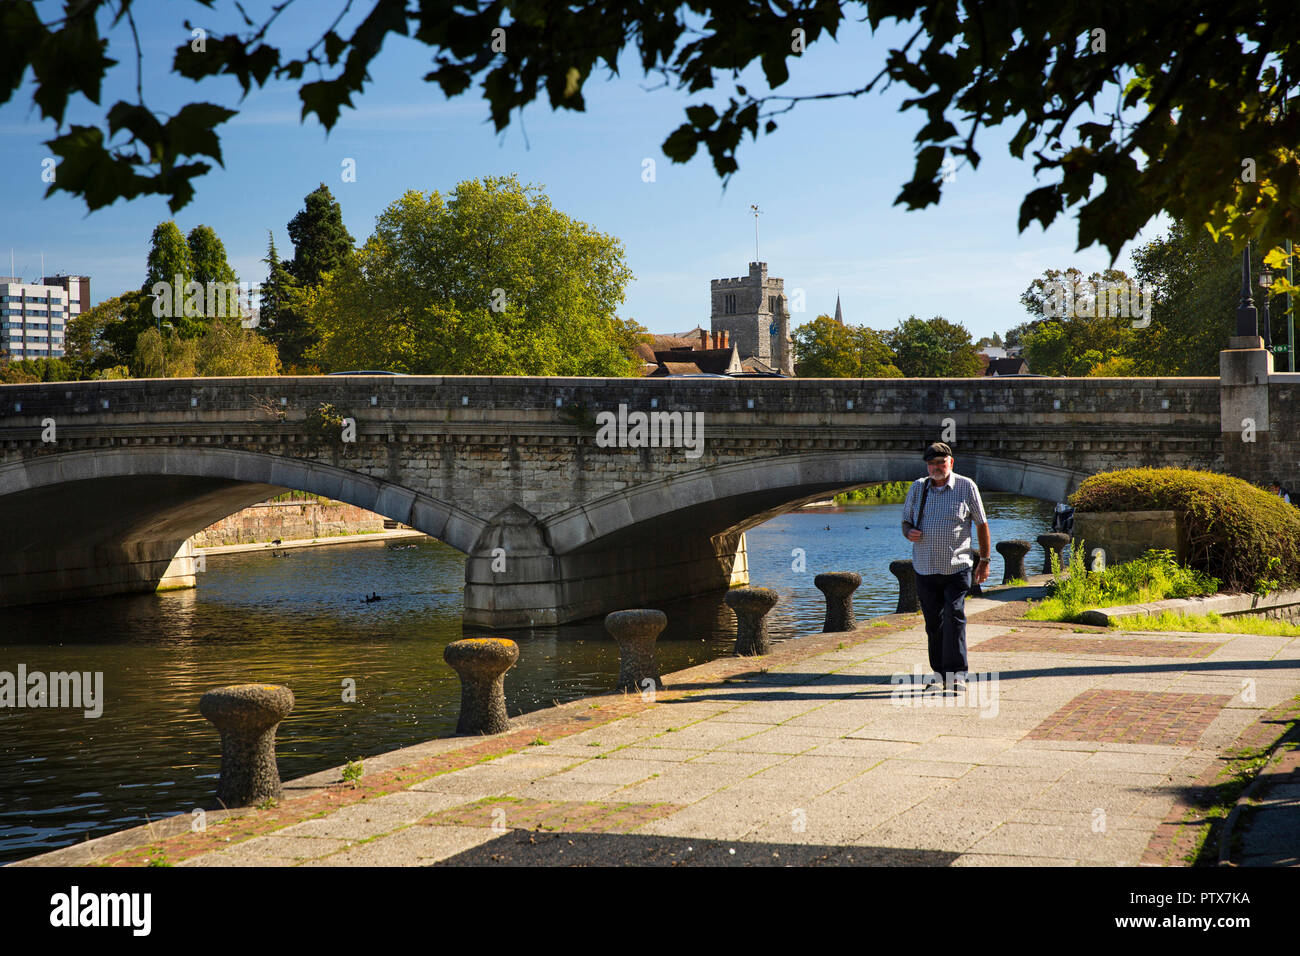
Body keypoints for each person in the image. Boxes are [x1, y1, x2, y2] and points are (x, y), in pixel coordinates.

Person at [900, 442, 991, 691]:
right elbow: (905, 522)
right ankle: (939, 674)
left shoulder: (966, 486)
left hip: (957, 567)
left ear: (951, 462)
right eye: (932, 464)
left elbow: (982, 524)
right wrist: (909, 533)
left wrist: (984, 561)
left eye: (941, 463)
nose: (936, 468)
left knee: (954, 615)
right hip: (925, 568)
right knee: (933, 623)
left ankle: (958, 674)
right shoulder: (918, 488)